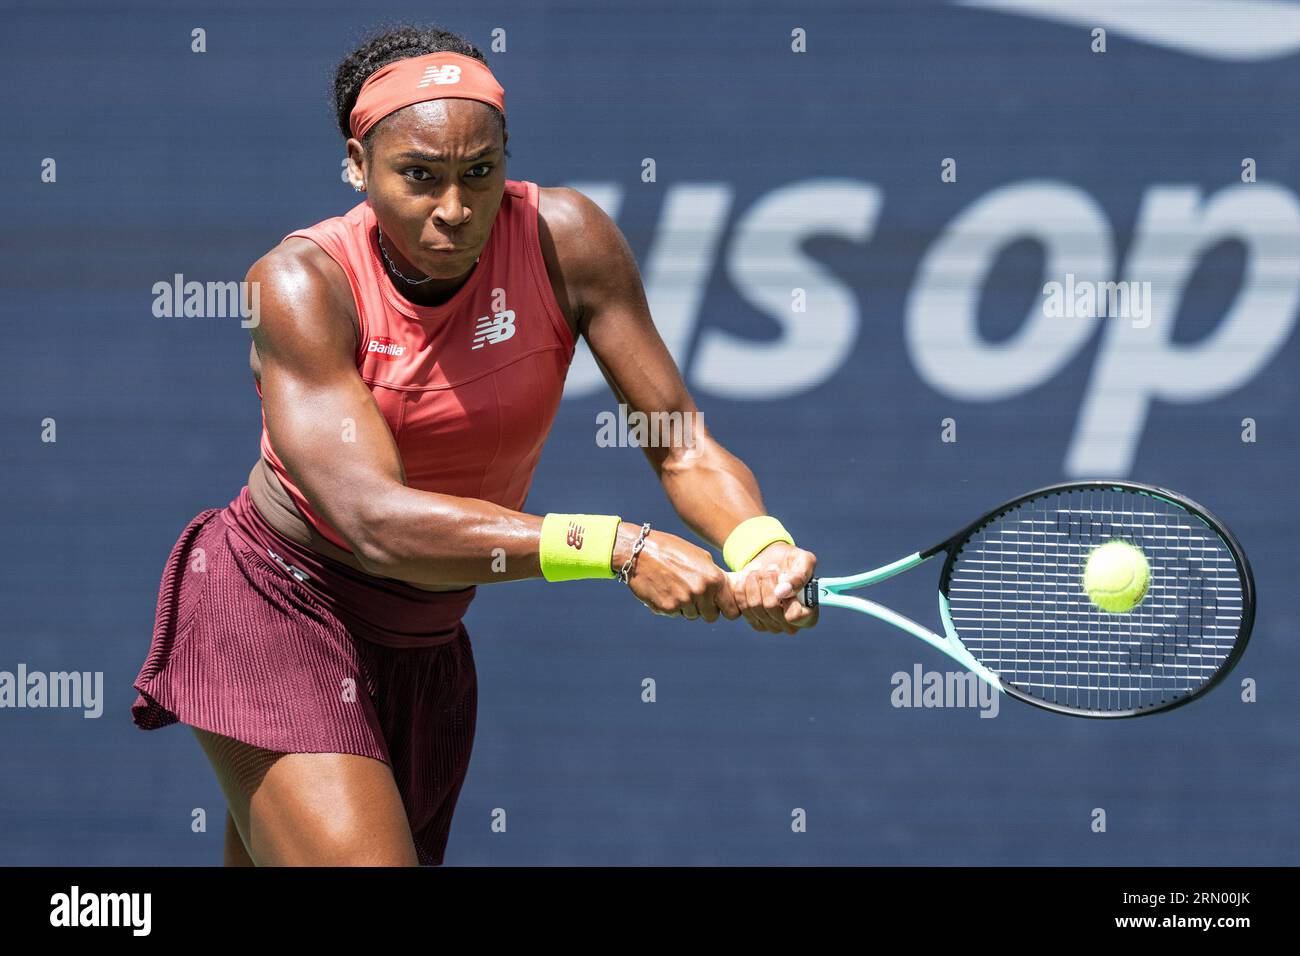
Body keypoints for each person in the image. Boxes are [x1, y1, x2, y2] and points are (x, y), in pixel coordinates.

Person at [130, 22, 819, 867]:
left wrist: (762, 543)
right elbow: (374, 521)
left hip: (426, 636)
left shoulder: (568, 239)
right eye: (419, 176)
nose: (454, 209)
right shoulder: (301, 283)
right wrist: (617, 547)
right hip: (278, 607)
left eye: (479, 174)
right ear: (357, 163)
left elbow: (679, 444)